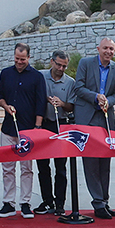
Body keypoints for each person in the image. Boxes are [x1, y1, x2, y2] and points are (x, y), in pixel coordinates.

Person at [72, 36, 115, 219]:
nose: (108, 52)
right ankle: (97, 202)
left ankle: (104, 200)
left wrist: (107, 102)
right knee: (91, 162)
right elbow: (78, 88)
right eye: (105, 48)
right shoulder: (85, 63)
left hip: (105, 119)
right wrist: (96, 97)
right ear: (98, 48)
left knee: (105, 162)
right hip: (87, 118)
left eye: (111, 49)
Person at [0, 42, 47, 219]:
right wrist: (5, 106)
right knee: (7, 168)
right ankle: (8, 203)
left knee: (26, 168)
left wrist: (37, 127)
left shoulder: (37, 76)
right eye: (17, 59)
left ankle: (25, 203)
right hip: (8, 128)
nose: (19, 62)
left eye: (22, 59)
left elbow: (41, 103)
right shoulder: (5, 73)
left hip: (28, 130)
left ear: (29, 58)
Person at [38, 49, 75, 216]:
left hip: (61, 124)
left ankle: (60, 203)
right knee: (42, 166)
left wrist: (62, 103)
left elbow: (72, 106)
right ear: (51, 62)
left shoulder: (70, 82)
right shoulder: (40, 76)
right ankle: (47, 201)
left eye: (64, 66)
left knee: (61, 167)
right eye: (59, 64)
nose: (61, 68)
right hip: (43, 124)